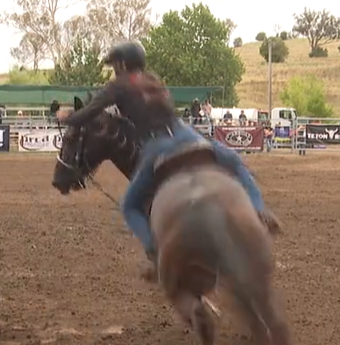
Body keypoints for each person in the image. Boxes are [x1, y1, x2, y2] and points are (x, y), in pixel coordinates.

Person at [62, 41, 277, 276]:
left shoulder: (117, 87)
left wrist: (69, 117)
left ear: (123, 64)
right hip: (186, 133)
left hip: (158, 144)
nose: (114, 69)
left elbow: (93, 110)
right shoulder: (152, 79)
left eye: (115, 65)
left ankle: (156, 254)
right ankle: (258, 210)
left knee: (130, 205)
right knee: (233, 160)